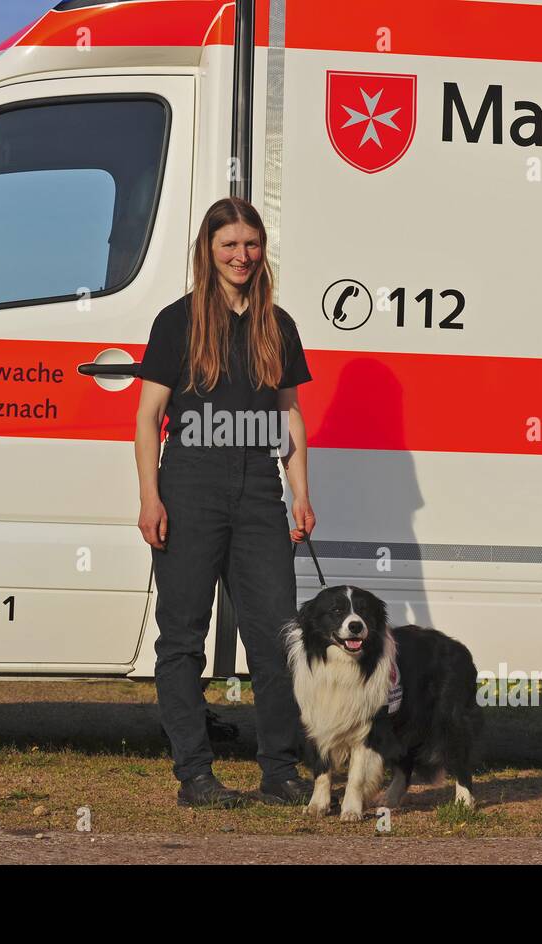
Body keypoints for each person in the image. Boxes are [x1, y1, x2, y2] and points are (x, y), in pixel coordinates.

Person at [134, 196, 316, 807]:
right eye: (229, 245)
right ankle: (196, 776)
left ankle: (280, 771)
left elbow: (290, 416)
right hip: (190, 486)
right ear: (208, 253)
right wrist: (149, 499)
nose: (242, 256)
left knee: (276, 637)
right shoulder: (177, 321)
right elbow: (148, 418)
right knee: (183, 637)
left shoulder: (278, 325)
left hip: (261, 493)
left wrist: (301, 495)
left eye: (251, 244)